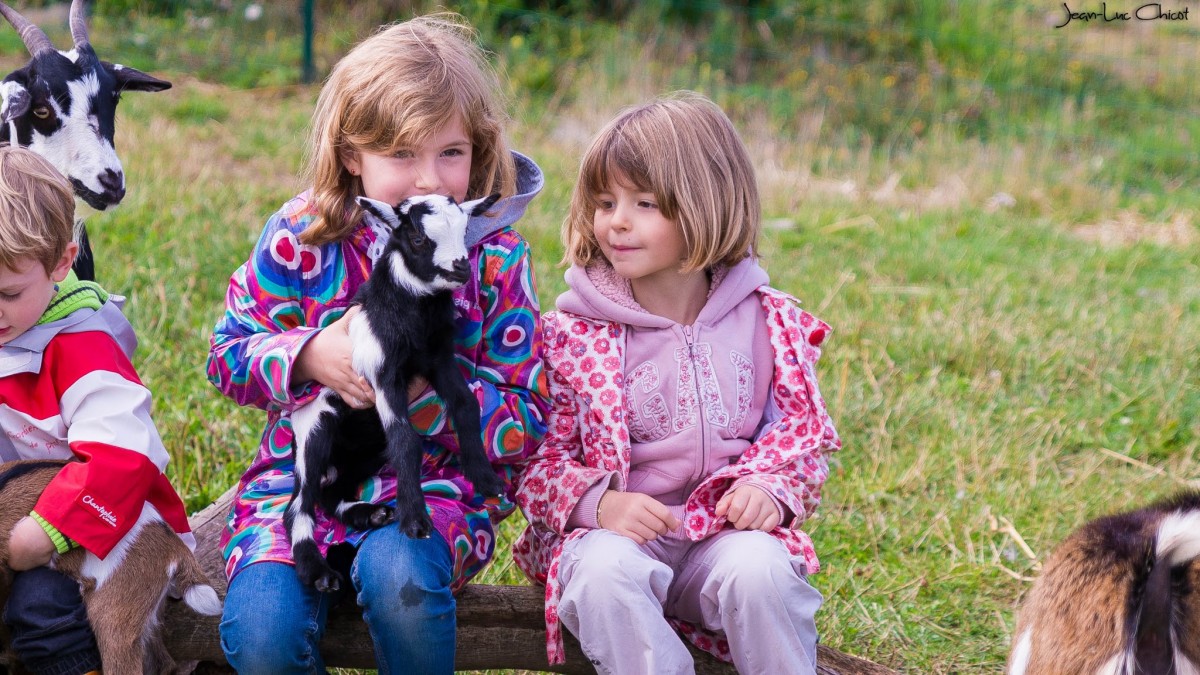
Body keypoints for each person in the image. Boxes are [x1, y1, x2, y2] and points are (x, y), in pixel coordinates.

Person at [205, 14, 549, 674]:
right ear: (350, 154)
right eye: (401, 155)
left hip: (436, 493)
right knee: (262, 631)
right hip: (298, 489)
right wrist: (310, 355)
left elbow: (524, 425)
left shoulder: (496, 259)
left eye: (450, 152)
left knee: (402, 581)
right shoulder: (301, 238)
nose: (428, 180)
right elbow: (228, 355)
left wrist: (420, 392)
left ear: (480, 150)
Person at [513, 92, 842, 674]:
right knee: (602, 577)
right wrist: (599, 503)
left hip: (721, 538)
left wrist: (771, 491)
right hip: (620, 539)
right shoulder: (572, 336)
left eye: (645, 203)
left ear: (706, 208)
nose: (617, 220)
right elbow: (533, 462)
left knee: (762, 572)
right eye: (605, 201)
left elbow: (801, 439)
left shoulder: (768, 323)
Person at [0, 145, 194, 675]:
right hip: (14, 510)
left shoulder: (82, 345)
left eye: (9, 292)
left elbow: (122, 458)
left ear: (63, 261)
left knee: (43, 613)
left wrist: (49, 530)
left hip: (99, 532)